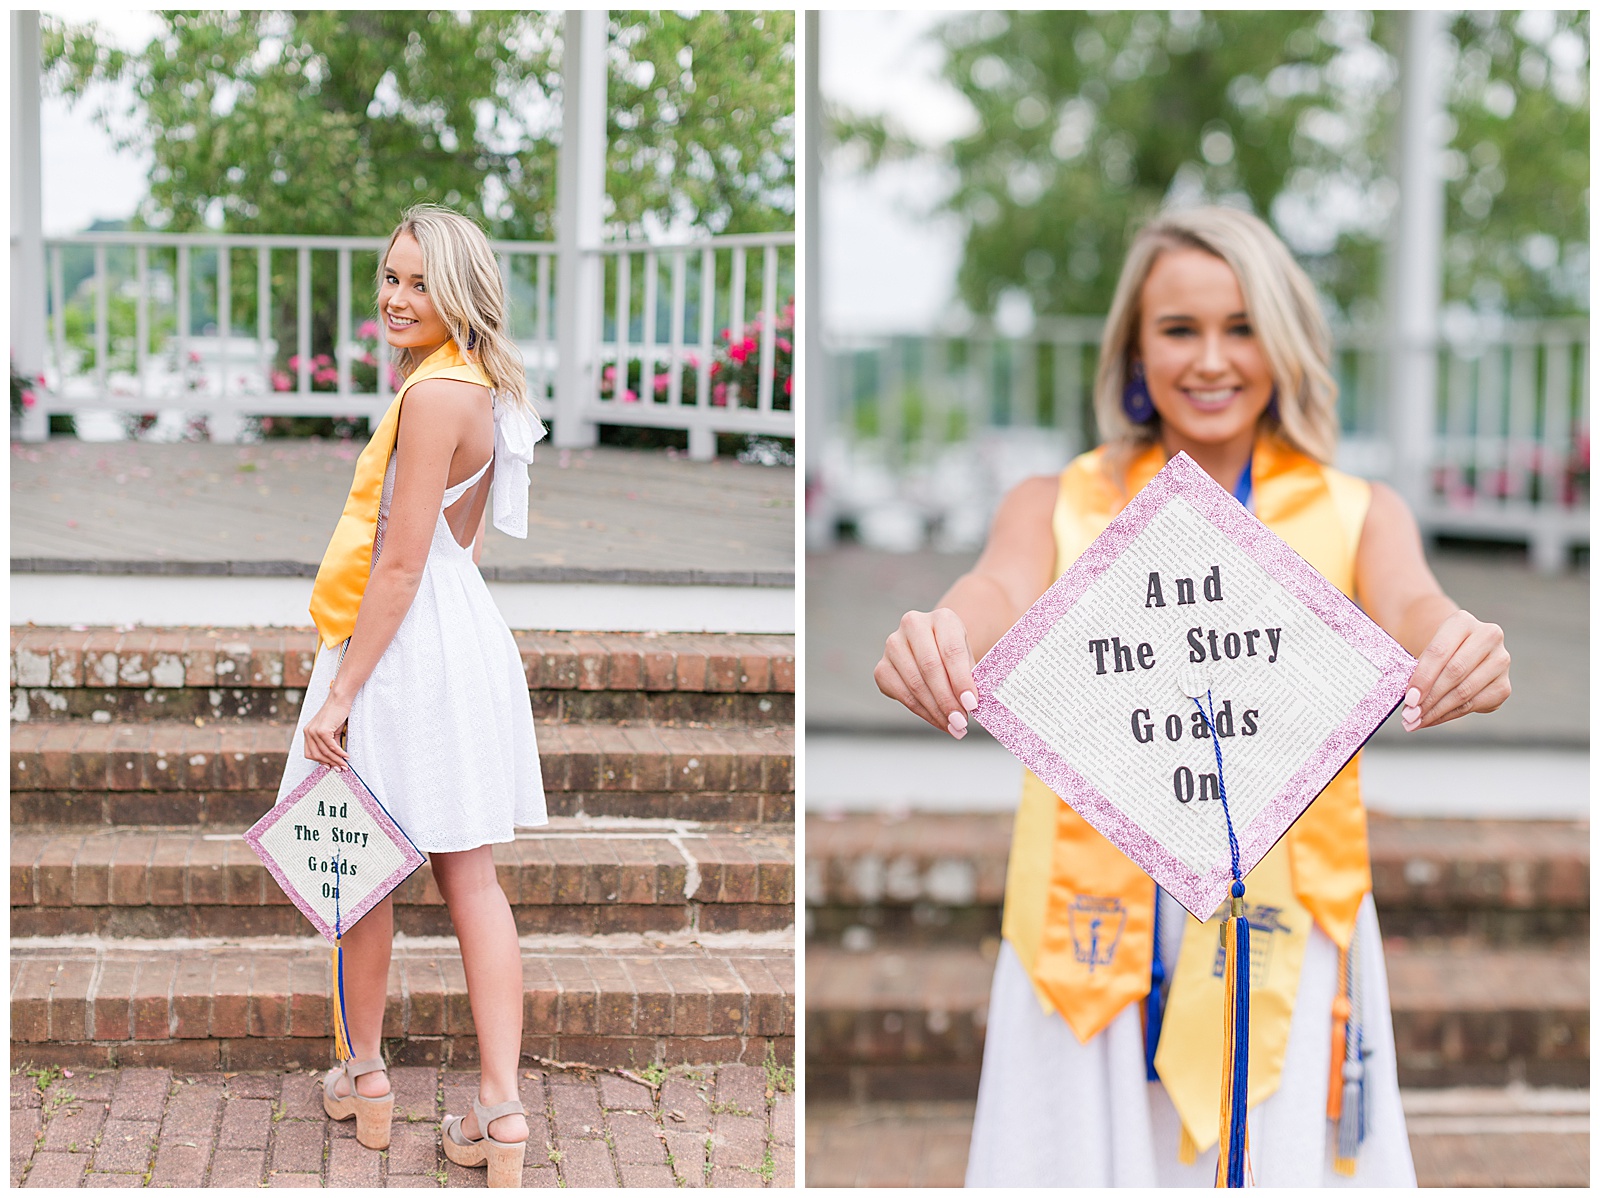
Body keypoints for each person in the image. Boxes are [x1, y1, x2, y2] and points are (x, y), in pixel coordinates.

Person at [875, 206, 1511, 1187]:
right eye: (1178, 329)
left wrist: (1458, 643)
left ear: (1285, 342)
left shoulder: (1354, 511)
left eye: (1241, 325)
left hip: (1285, 908)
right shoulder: (1054, 502)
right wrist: (945, 631)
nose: (1210, 360)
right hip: (1091, 914)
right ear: (1133, 345)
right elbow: (992, 594)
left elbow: (1417, 605)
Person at [277, 203, 547, 1187]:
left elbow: (396, 567)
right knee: (466, 874)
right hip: (460, 628)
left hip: (399, 644)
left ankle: (367, 1073)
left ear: (458, 290)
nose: (395, 297)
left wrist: (342, 691)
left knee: (364, 868)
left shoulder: (434, 396)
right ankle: (500, 1109)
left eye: (417, 281)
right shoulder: (486, 389)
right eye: (390, 278)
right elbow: (458, 545)